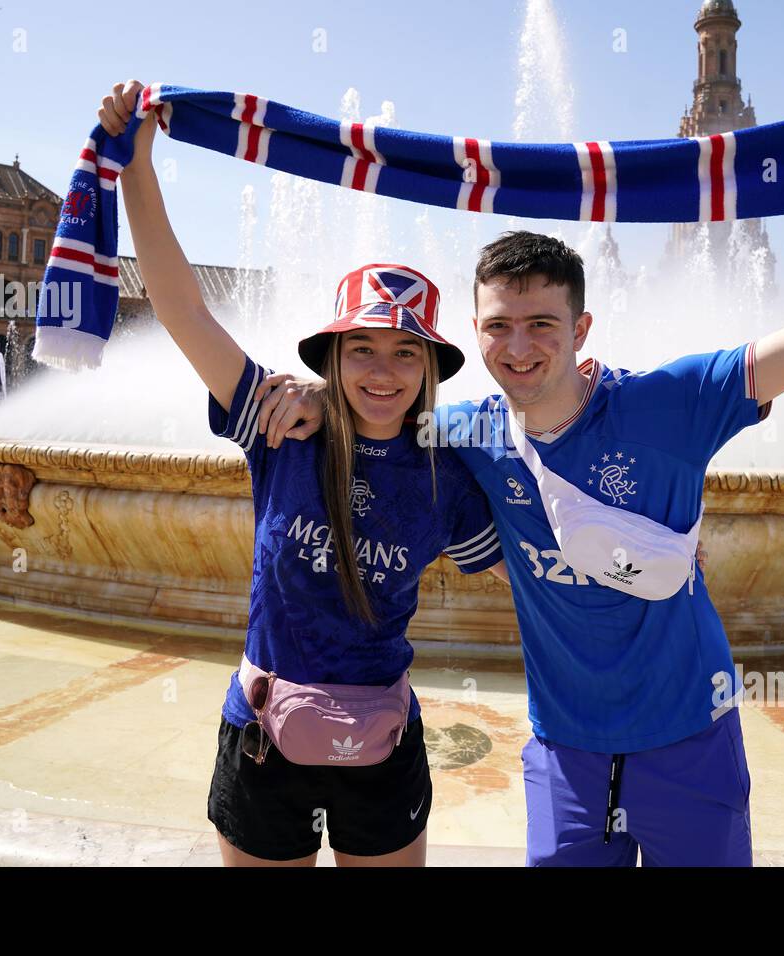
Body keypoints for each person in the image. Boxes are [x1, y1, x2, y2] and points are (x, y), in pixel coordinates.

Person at [250, 93, 784, 867]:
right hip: (564, 754)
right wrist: (320, 394)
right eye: (498, 327)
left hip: (689, 736)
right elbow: (383, 408)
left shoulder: (670, 404)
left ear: (581, 328)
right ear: (475, 335)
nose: (519, 348)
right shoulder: (470, 429)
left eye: (542, 324)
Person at [101, 80, 505, 868]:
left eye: (403, 353)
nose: (382, 371)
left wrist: (652, 552)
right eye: (362, 350)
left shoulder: (448, 473)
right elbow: (183, 310)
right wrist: (136, 162)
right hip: (261, 737)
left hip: (382, 746)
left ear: (430, 368)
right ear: (331, 358)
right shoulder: (282, 425)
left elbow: (530, 552)